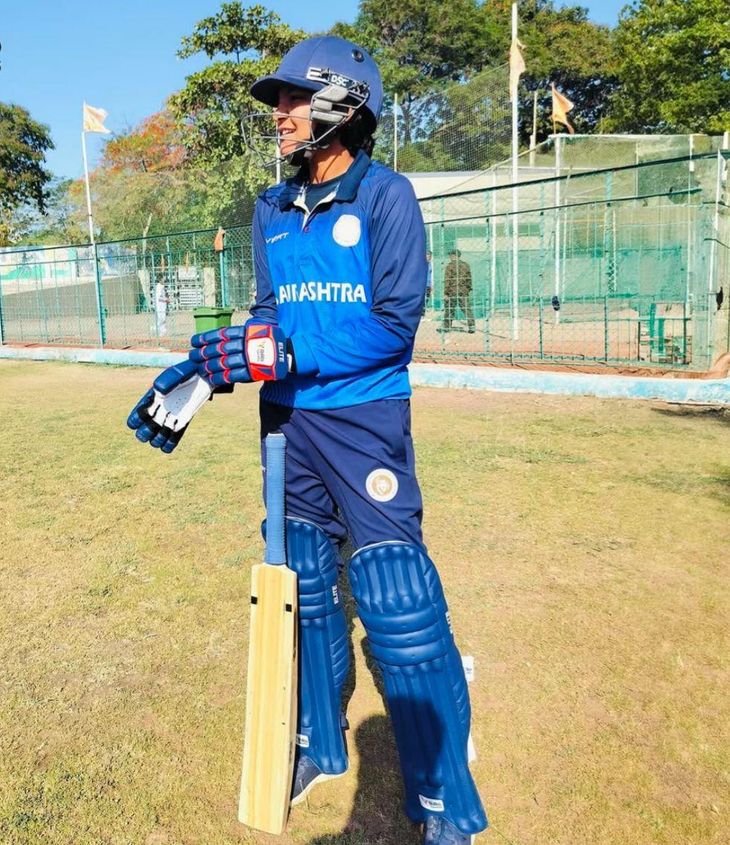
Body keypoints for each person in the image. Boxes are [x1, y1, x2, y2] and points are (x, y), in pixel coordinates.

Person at [127, 35, 487, 845]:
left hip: (364, 421)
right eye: (279, 102)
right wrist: (200, 370)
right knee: (305, 588)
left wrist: (293, 347)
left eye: (292, 98)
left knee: (397, 603)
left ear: (344, 105)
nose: (280, 114)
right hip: (286, 426)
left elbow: (394, 325)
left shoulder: (386, 197)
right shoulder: (270, 209)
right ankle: (319, 745)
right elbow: (266, 313)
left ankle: (444, 797)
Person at [442, 249, 475, 333]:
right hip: (463, 291)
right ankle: (471, 326)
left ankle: (447, 327)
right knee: (466, 309)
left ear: (453, 256)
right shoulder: (466, 265)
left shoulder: (450, 266)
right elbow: (469, 278)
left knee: (450, 309)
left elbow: (447, 280)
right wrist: (468, 289)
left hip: (452, 291)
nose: (449, 257)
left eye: (450, 255)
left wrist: (446, 293)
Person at [424, 249, 433, 316]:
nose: (429, 257)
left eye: (430, 256)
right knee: (423, 298)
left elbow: (430, 275)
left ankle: (423, 310)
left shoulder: (429, 264)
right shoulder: (422, 264)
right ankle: (421, 312)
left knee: (427, 297)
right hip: (423, 284)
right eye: (428, 255)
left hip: (428, 284)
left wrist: (431, 284)